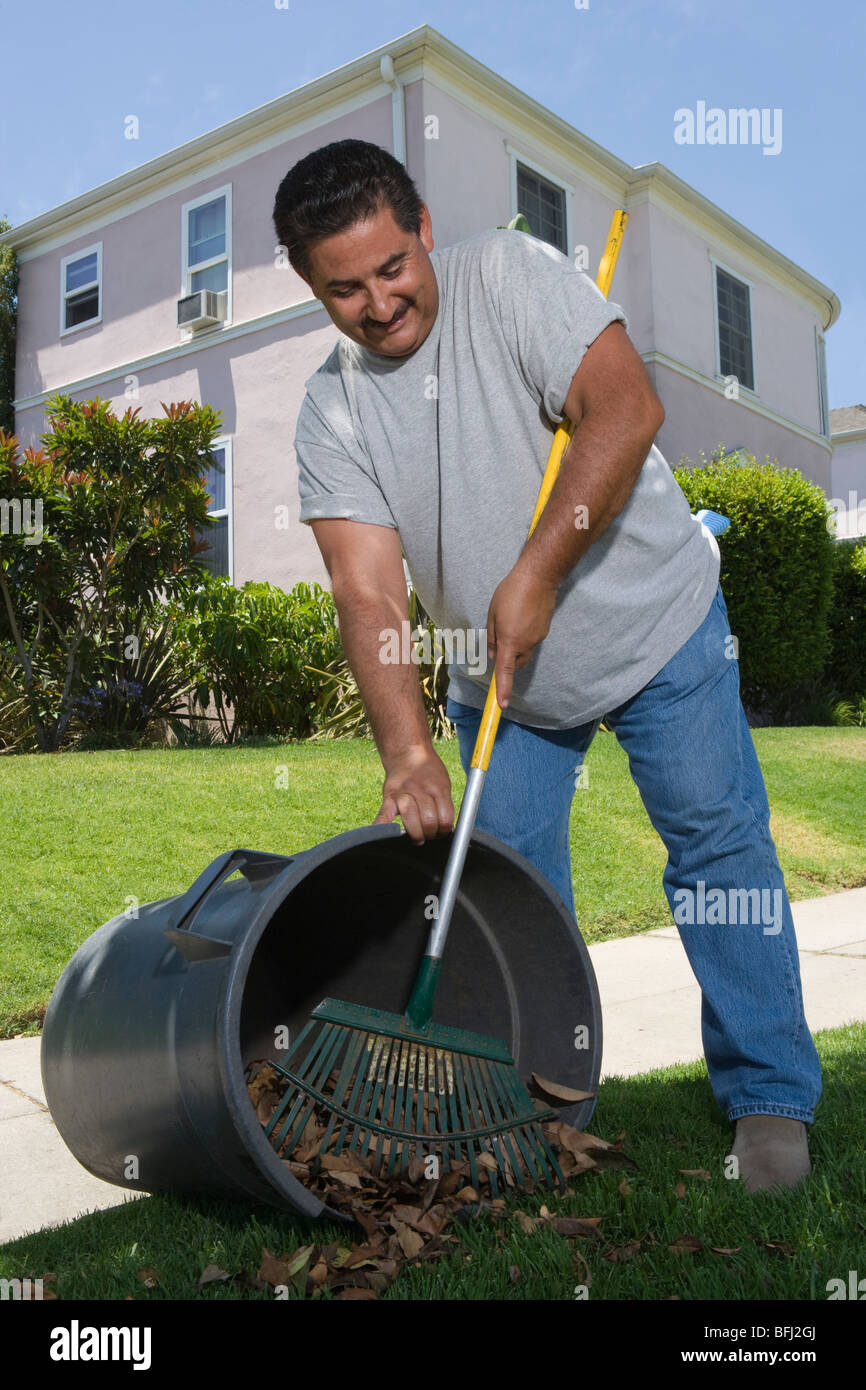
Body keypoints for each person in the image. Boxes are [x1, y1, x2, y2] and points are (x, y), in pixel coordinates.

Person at [273, 138, 820, 1192]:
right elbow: (367, 592)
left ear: (423, 228)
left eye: (391, 268)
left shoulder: (511, 277)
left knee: (716, 852)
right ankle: (546, 1111)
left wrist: (534, 570)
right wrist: (405, 749)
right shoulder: (330, 410)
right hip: (505, 684)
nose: (378, 303)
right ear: (312, 288)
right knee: (506, 889)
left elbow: (624, 410)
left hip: (653, 621)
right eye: (344, 288)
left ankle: (766, 1100)